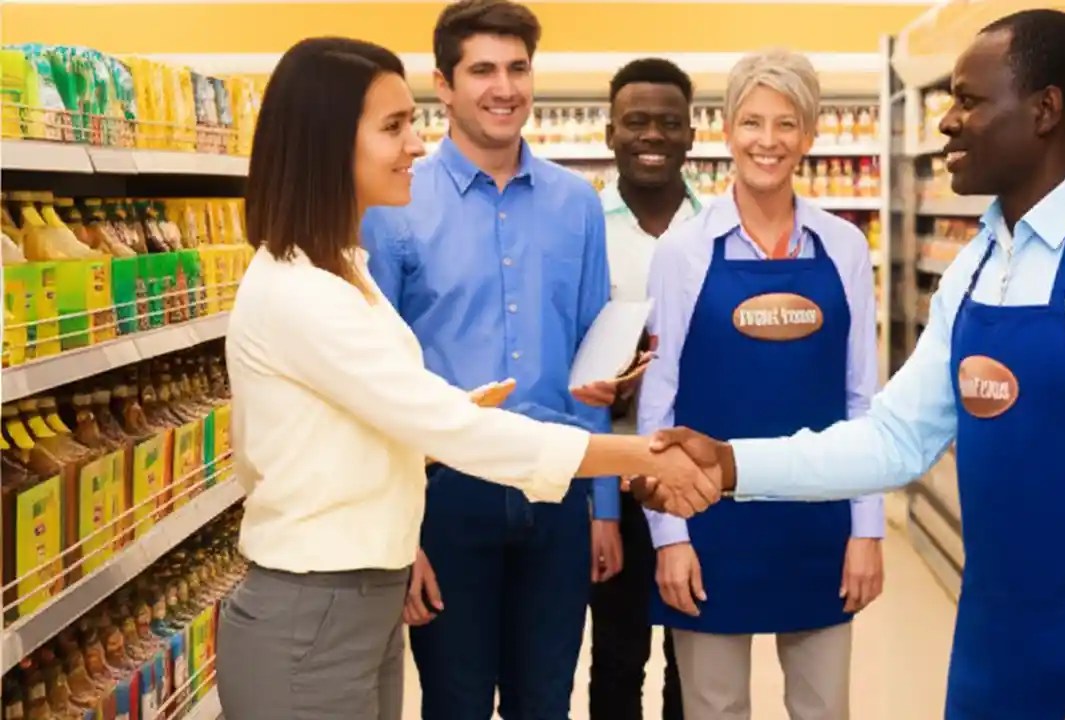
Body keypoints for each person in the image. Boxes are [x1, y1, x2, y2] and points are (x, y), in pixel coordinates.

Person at [640, 10, 1065, 720]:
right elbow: (894, 438)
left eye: (969, 101)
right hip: (992, 646)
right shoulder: (977, 266)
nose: (946, 122)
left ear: (1045, 110)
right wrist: (729, 465)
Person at [216, 36, 719, 720]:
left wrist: (461, 410)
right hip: (317, 607)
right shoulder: (305, 293)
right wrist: (641, 454)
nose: (414, 145)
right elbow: (446, 427)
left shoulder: (344, 269)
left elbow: (402, 408)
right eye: (393, 127)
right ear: (329, 141)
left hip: (357, 595)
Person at [359, 1, 629, 717]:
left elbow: (590, 366)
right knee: (454, 701)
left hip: (559, 491)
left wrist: (602, 507)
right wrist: (401, 535)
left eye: (517, 68)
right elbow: (374, 384)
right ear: (444, 86)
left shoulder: (578, 205)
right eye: (482, 70)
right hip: (446, 496)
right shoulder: (392, 208)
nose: (503, 88)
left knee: (546, 702)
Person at [638, 48, 885, 720]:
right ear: (726, 130)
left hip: (821, 521)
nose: (767, 141)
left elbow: (863, 399)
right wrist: (671, 538)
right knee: (714, 709)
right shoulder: (684, 251)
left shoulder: (845, 247)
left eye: (786, 124)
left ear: (809, 136)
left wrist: (867, 530)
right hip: (709, 521)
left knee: (823, 709)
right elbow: (658, 404)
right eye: (752, 122)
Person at [588, 57, 698, 720]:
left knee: (696, 654)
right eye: (635, 122)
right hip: (618, 478)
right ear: (609, 134)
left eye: (668, 122)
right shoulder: (584, 229)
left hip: (698, 476)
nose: (651, 135)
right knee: (618, 654)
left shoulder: (717, 230)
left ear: (691, 134)